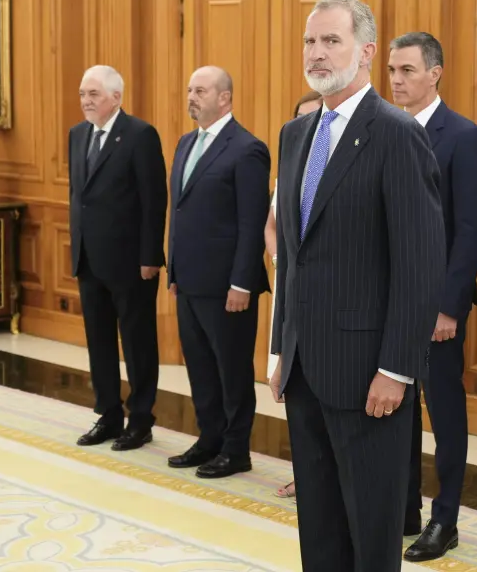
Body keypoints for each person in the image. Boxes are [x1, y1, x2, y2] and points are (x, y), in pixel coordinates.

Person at [269, 0, 445, 572]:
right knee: (318, 528)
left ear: (366, 51)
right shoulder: (294, 134)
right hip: (304, 369)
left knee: (370, 531)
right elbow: (295, 257)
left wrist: (396, 368)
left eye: (331, 41)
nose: (316, 54)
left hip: (370, 373)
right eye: (309, 41)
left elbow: (419, 266)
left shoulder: (396, 134)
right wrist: (280, 348)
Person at [389, 32, 477, 562]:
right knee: (394, 408)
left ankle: (443, 518)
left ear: (435, 73)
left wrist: (449, 307)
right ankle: (402, 508)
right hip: (388, 302)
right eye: (392, 71)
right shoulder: (383, 131)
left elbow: (471, 230)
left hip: (436, 308)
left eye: (407, 70)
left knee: (443, 414)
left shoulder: (463, 137)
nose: (397, 81)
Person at [166, 66, 270, 479]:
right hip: (190, 282)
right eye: (190, 89)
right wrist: (174, 269)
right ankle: (208, 438)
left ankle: (235, 449)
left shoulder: (247, 149)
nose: (192, 96)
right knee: (200, 367)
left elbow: (252, 223)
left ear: (225, 97)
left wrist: (242, 281)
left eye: (201, 90)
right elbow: (181, 212)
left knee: (231, 371)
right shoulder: (185, 142)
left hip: (229, 286)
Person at [68, 65, 167, 451]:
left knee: (138, 343)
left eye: (93, 94)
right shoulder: (78, 135)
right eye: (82, 94)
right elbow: (79, 195)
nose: (86, 101)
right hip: (89, 258)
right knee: (99, 341)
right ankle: (108, 415)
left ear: (116, 97)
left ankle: (140, 419)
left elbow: (153, 201)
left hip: (131, 261)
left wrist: (150, 257)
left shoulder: (140, 135)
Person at [267, 90, 322, 500]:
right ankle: (303, 474)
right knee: (296, 398)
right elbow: (276, 228)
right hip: (292, 297)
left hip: (333, 309)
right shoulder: (290, 159)